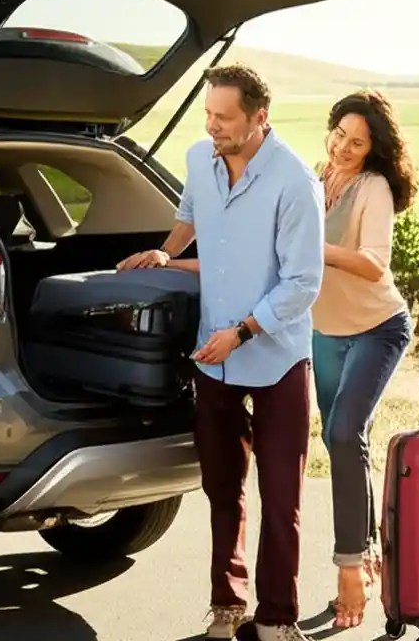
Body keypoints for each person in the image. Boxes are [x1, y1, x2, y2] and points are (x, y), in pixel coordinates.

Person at [118, 64, 325, 641]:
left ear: (260, 118)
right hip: (216, 358)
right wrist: (164, 254)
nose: (212, 126)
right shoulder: (196, 161)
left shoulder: (293, 181)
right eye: (208, 114)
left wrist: (244, 330)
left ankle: (278, 618)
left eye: (224, 118)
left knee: (281, 497)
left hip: (277, 355)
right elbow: (189, 221)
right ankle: (227, 606)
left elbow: (304, 282)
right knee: (222, 490)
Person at [309, 90, 417, 629]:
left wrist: (312, 247)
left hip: (378, 328)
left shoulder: (373, 188)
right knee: (341, 439)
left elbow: (374, 265)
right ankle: (368, 551)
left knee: (346, 432)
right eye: (339, 135)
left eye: (358, 142)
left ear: (373, 149)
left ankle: (349, 570)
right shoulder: (314, 179)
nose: (344, 147)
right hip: (325, 332)